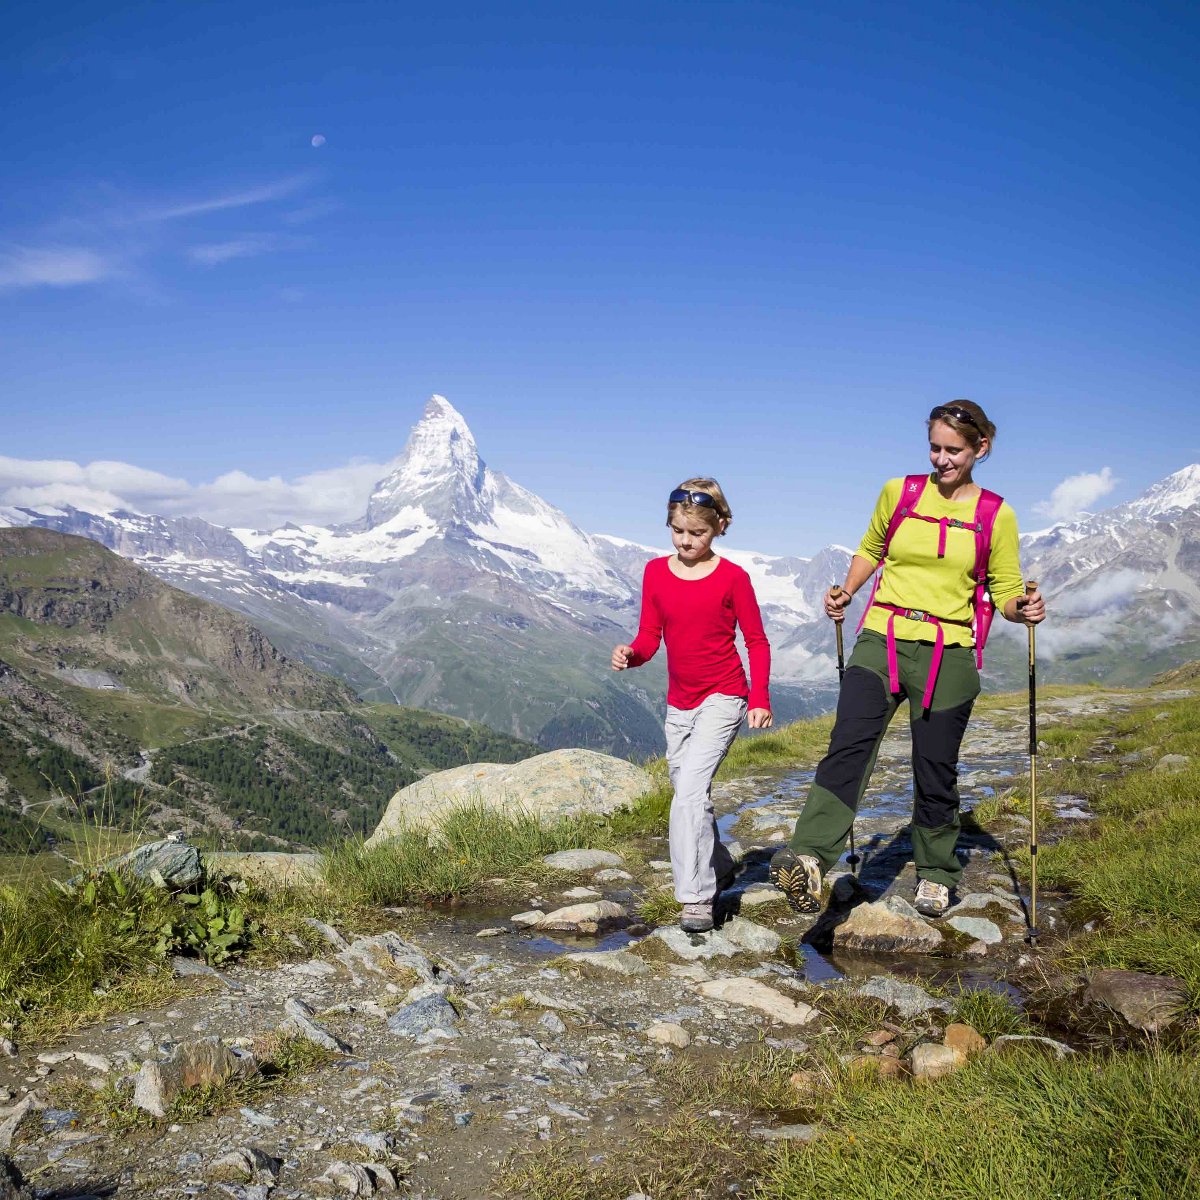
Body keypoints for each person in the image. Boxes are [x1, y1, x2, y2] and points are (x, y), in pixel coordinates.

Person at [770, 401, 1045, 918]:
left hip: (950, 651)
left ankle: (937, 872)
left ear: (981, 448)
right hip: (882, 637)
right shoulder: (900, 492)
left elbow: (1005, 588)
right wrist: (848, 590)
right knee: (848, 744)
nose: (941, 459)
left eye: (953, 450)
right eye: (934, 448)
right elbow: (872, 548)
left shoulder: (995, 514)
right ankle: (809, 857)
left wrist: (1021, 608)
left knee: (934, 767)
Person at [613, 478, 773, 933]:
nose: (685, 541)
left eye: (697, 533)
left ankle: (697, 898)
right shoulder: (655, 572)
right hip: (679, 703)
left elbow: (756, 642)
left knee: (687, 796)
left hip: (724, 695)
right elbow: (650, 636)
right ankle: (719, 863)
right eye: (677, 530)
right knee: (690, 794)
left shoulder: (733, 578)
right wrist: (632, 654)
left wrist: (759, 697)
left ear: (719, 527)